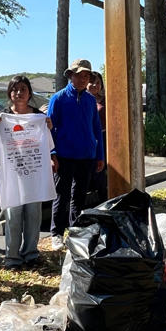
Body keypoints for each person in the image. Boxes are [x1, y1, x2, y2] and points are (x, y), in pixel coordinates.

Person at [0, 76, 58, 267]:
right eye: (15, 89)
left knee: (33, 216)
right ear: (10, 93)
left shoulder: (38, 117)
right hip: (12, 176)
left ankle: (31, 254)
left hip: (33, 174)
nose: (19, 93)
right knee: (13, 216)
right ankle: (12, 257)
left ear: (29, 93)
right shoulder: (2, 117)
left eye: (23, 89)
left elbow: (47, 145)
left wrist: (48, 128)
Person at [47, 59, 104, 251]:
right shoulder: (59, 98)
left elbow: (97, 129)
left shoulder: (90, 100)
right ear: (71, 75)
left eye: (86, 75)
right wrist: (52, 154)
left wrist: (100, 155)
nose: (83, 79)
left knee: (79, 196)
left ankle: (76, 231)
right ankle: (56, 233)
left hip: (86, 156)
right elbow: (49, 129)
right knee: (61, 195)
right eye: (79, 75)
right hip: (64, 155)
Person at [87, 71, 108, 203]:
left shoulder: (106, 100)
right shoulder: (81, 99)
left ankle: (103, 201)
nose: (95, 85)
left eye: (98, 82)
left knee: (101, 172)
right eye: (92, 82)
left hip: (103, 138)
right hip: (86, 139)